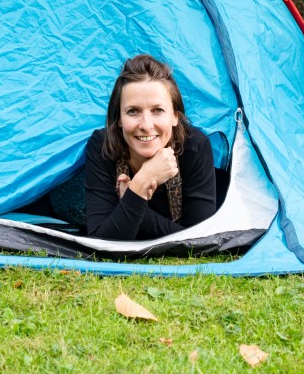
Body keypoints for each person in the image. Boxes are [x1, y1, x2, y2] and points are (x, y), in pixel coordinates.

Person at [82, 54, 217, 241]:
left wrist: (133, 196)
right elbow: (102, 241)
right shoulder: (102, 145)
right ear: (119, 119)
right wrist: (142, 184)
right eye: (133, 111)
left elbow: (200, 240)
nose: (146, 125)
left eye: (158, 110)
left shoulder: (195, 147)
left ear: (175, 117)